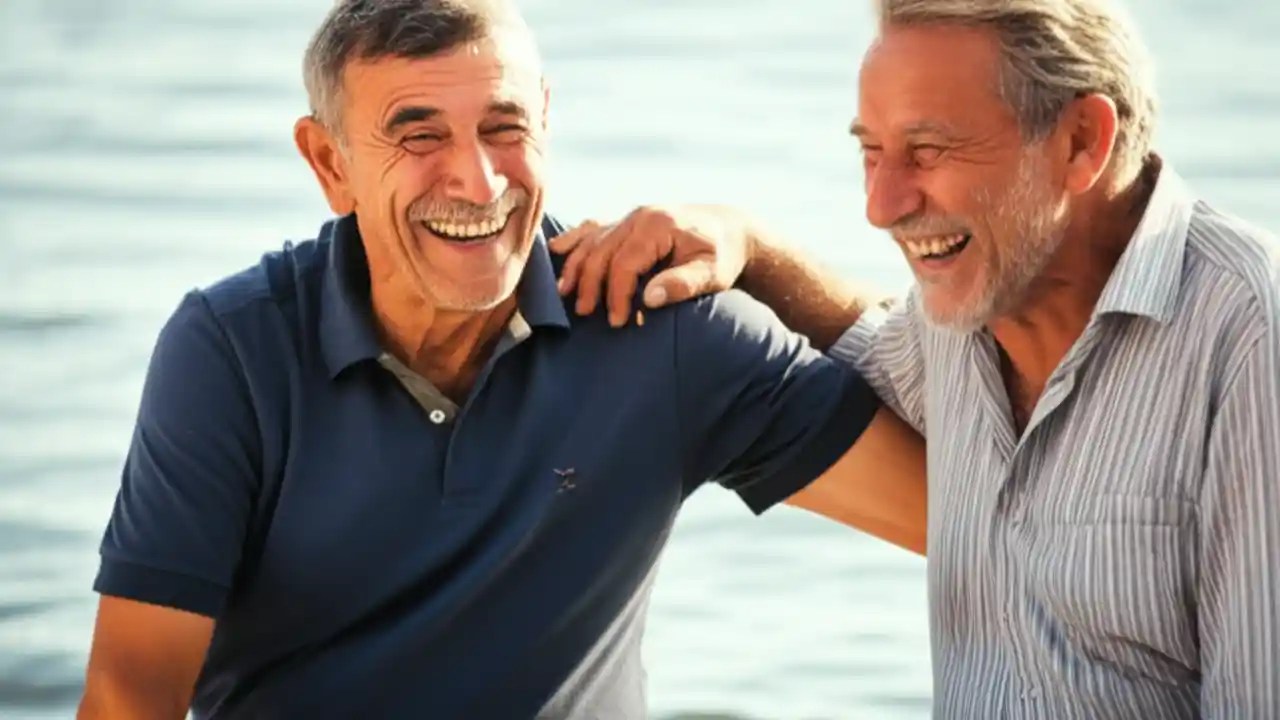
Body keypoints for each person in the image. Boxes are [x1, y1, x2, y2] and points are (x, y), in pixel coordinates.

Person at [75, 1, 928, 718]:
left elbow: (959, 520)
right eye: (419, 137)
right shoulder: (230, 352)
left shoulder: (666, 330)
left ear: (547, 120)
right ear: (330, 163)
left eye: (503, 127)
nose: (479, 182)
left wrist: (758, 248)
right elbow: (129, 695)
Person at [555, 0, 1280, 717]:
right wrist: (744, 244)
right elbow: (865, 339)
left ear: (1081, 141)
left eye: (927, 152)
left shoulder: (1248, 332)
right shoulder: (971, 301)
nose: (881, 205)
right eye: (870, 152)